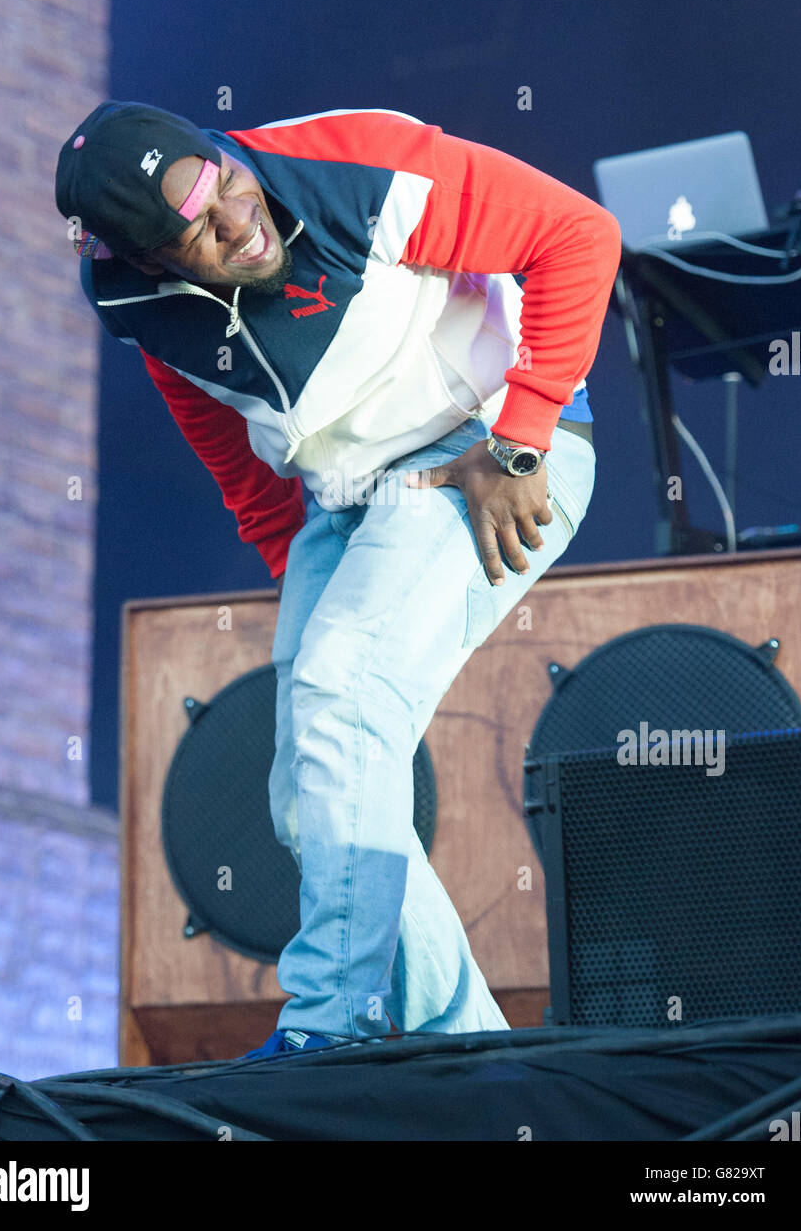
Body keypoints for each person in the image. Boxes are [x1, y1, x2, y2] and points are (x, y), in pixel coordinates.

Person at [55, 100, 621, 1060]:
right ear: (142, 261)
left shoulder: (353, 164)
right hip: (345, 499)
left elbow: (578, 234)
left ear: (223, 149)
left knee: (343, 699)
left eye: (226, 180)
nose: (240, 220)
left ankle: (327, 1023)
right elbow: (229, 442)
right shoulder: (132, 305)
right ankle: (471, 1054)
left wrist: (520, 441)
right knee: (305, 797)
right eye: (198, 227)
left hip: (485, 453)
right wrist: (302, 581)